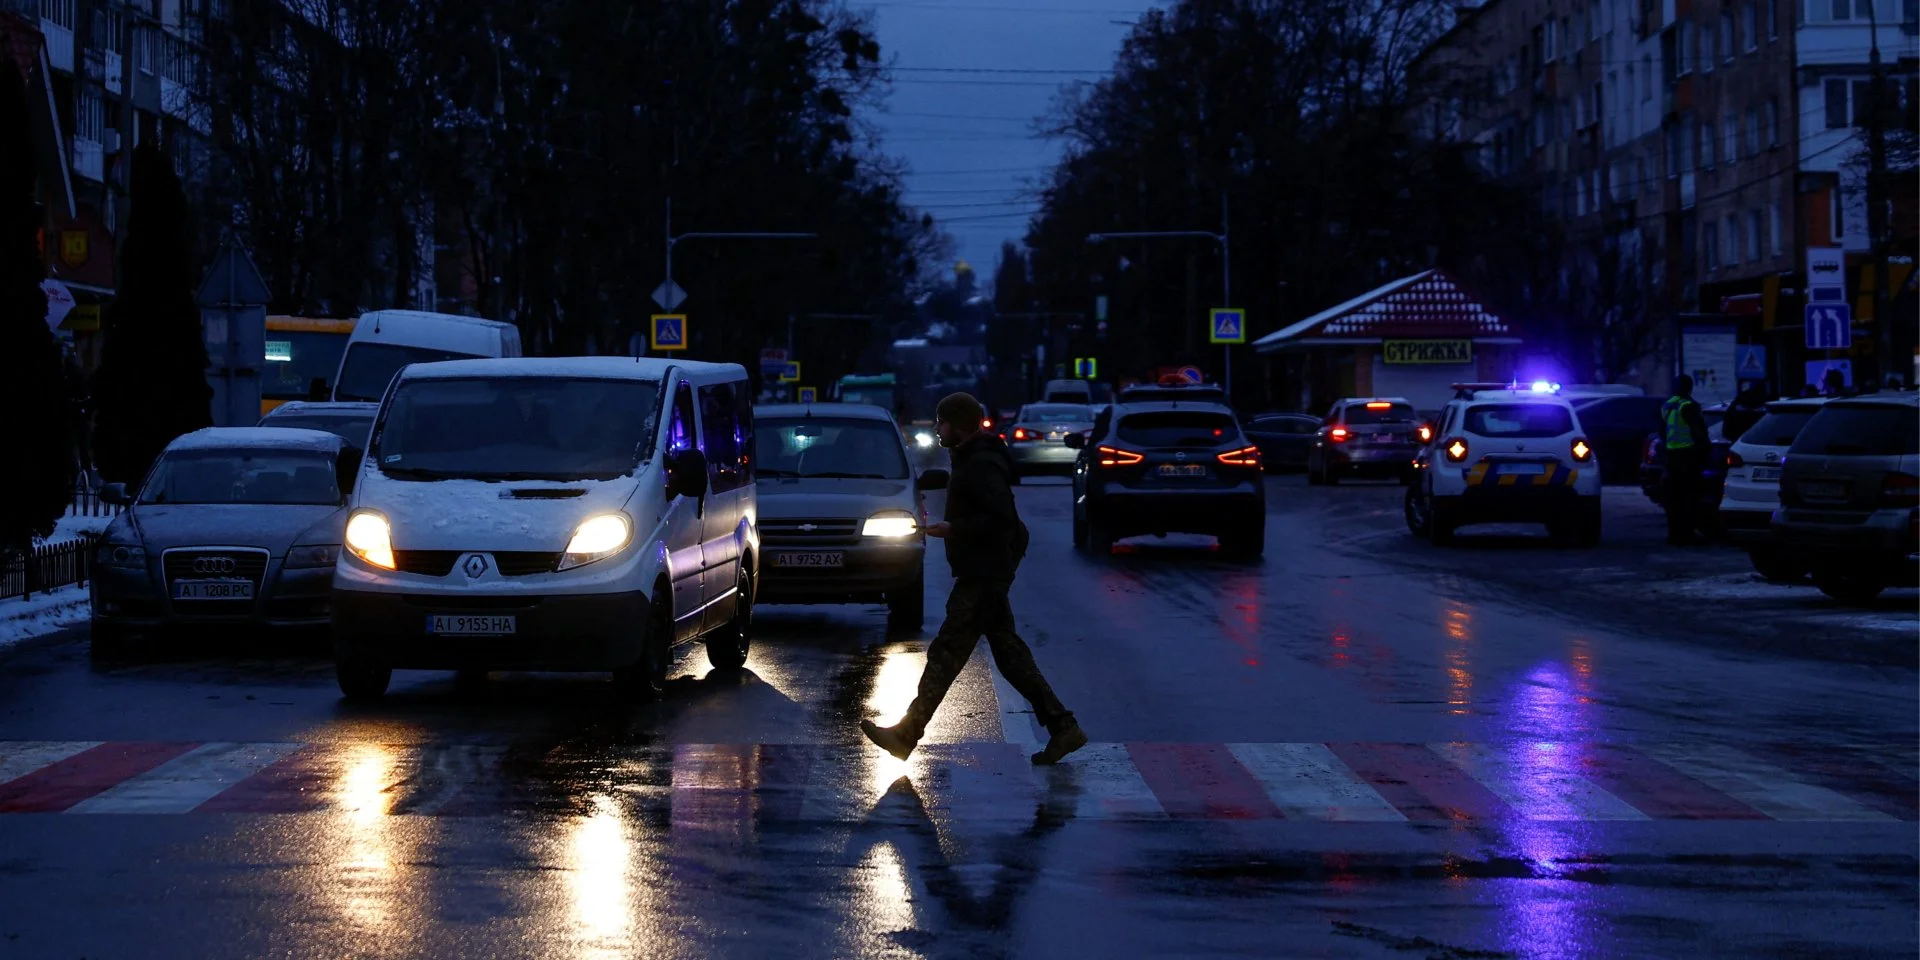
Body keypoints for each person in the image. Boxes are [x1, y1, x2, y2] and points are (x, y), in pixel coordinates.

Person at [860, 392, 1088, 766]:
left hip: (983, 573)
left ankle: (906, 734)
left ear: (959, 425)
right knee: (1009, 656)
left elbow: (1000, 520)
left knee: (947, 653)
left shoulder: (981, 464)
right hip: (984, 570)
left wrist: (954, 528)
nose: (937, 428)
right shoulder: (972, 458)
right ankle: (1064, 727)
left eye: (942, 421)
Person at [1661, 374, 1713, 546]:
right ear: (1690, 388)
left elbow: (1662, 432)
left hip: (1671, 457)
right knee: (1689, 498)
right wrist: (1705, 454)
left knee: (1673, 499)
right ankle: (1687, 535)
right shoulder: (1689, 406)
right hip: (1688, 457)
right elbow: (1700, 434)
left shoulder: (1668, 405)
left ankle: (1674, 534)